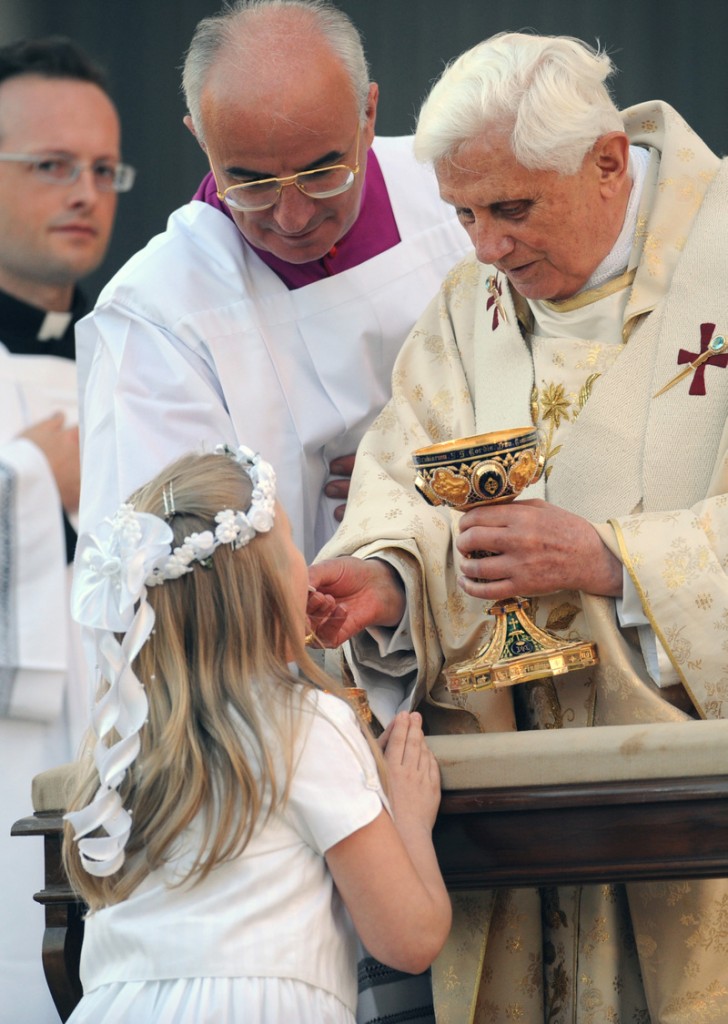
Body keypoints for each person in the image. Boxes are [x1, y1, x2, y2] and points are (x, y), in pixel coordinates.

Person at [309, 32, 728, 1023]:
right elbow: (404, 481)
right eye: (462, 214)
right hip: (512, 813)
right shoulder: (469, 309)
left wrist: (614, 560)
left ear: (607, 163)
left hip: (691, 808)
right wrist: (388, 580)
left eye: (511, 209)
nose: (485, 248)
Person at [62, 444, 450, 1023]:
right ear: (264, 588)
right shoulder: (306, 724)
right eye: (291, 544)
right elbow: (410, 939)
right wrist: (410, 820)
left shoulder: (120, 739)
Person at [75, 0, 470, 564]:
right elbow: (156, 559)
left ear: (368, 113)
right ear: (201, 139)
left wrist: (446, 472)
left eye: (322, 172)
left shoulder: (459, 193)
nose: (292, 217)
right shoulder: (158, 313)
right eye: (252, 183)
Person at [0, 36, 133, 1022]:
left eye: (102, 169)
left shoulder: (140, 353)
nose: (85, 192)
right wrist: (30, 481)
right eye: (51, 165)